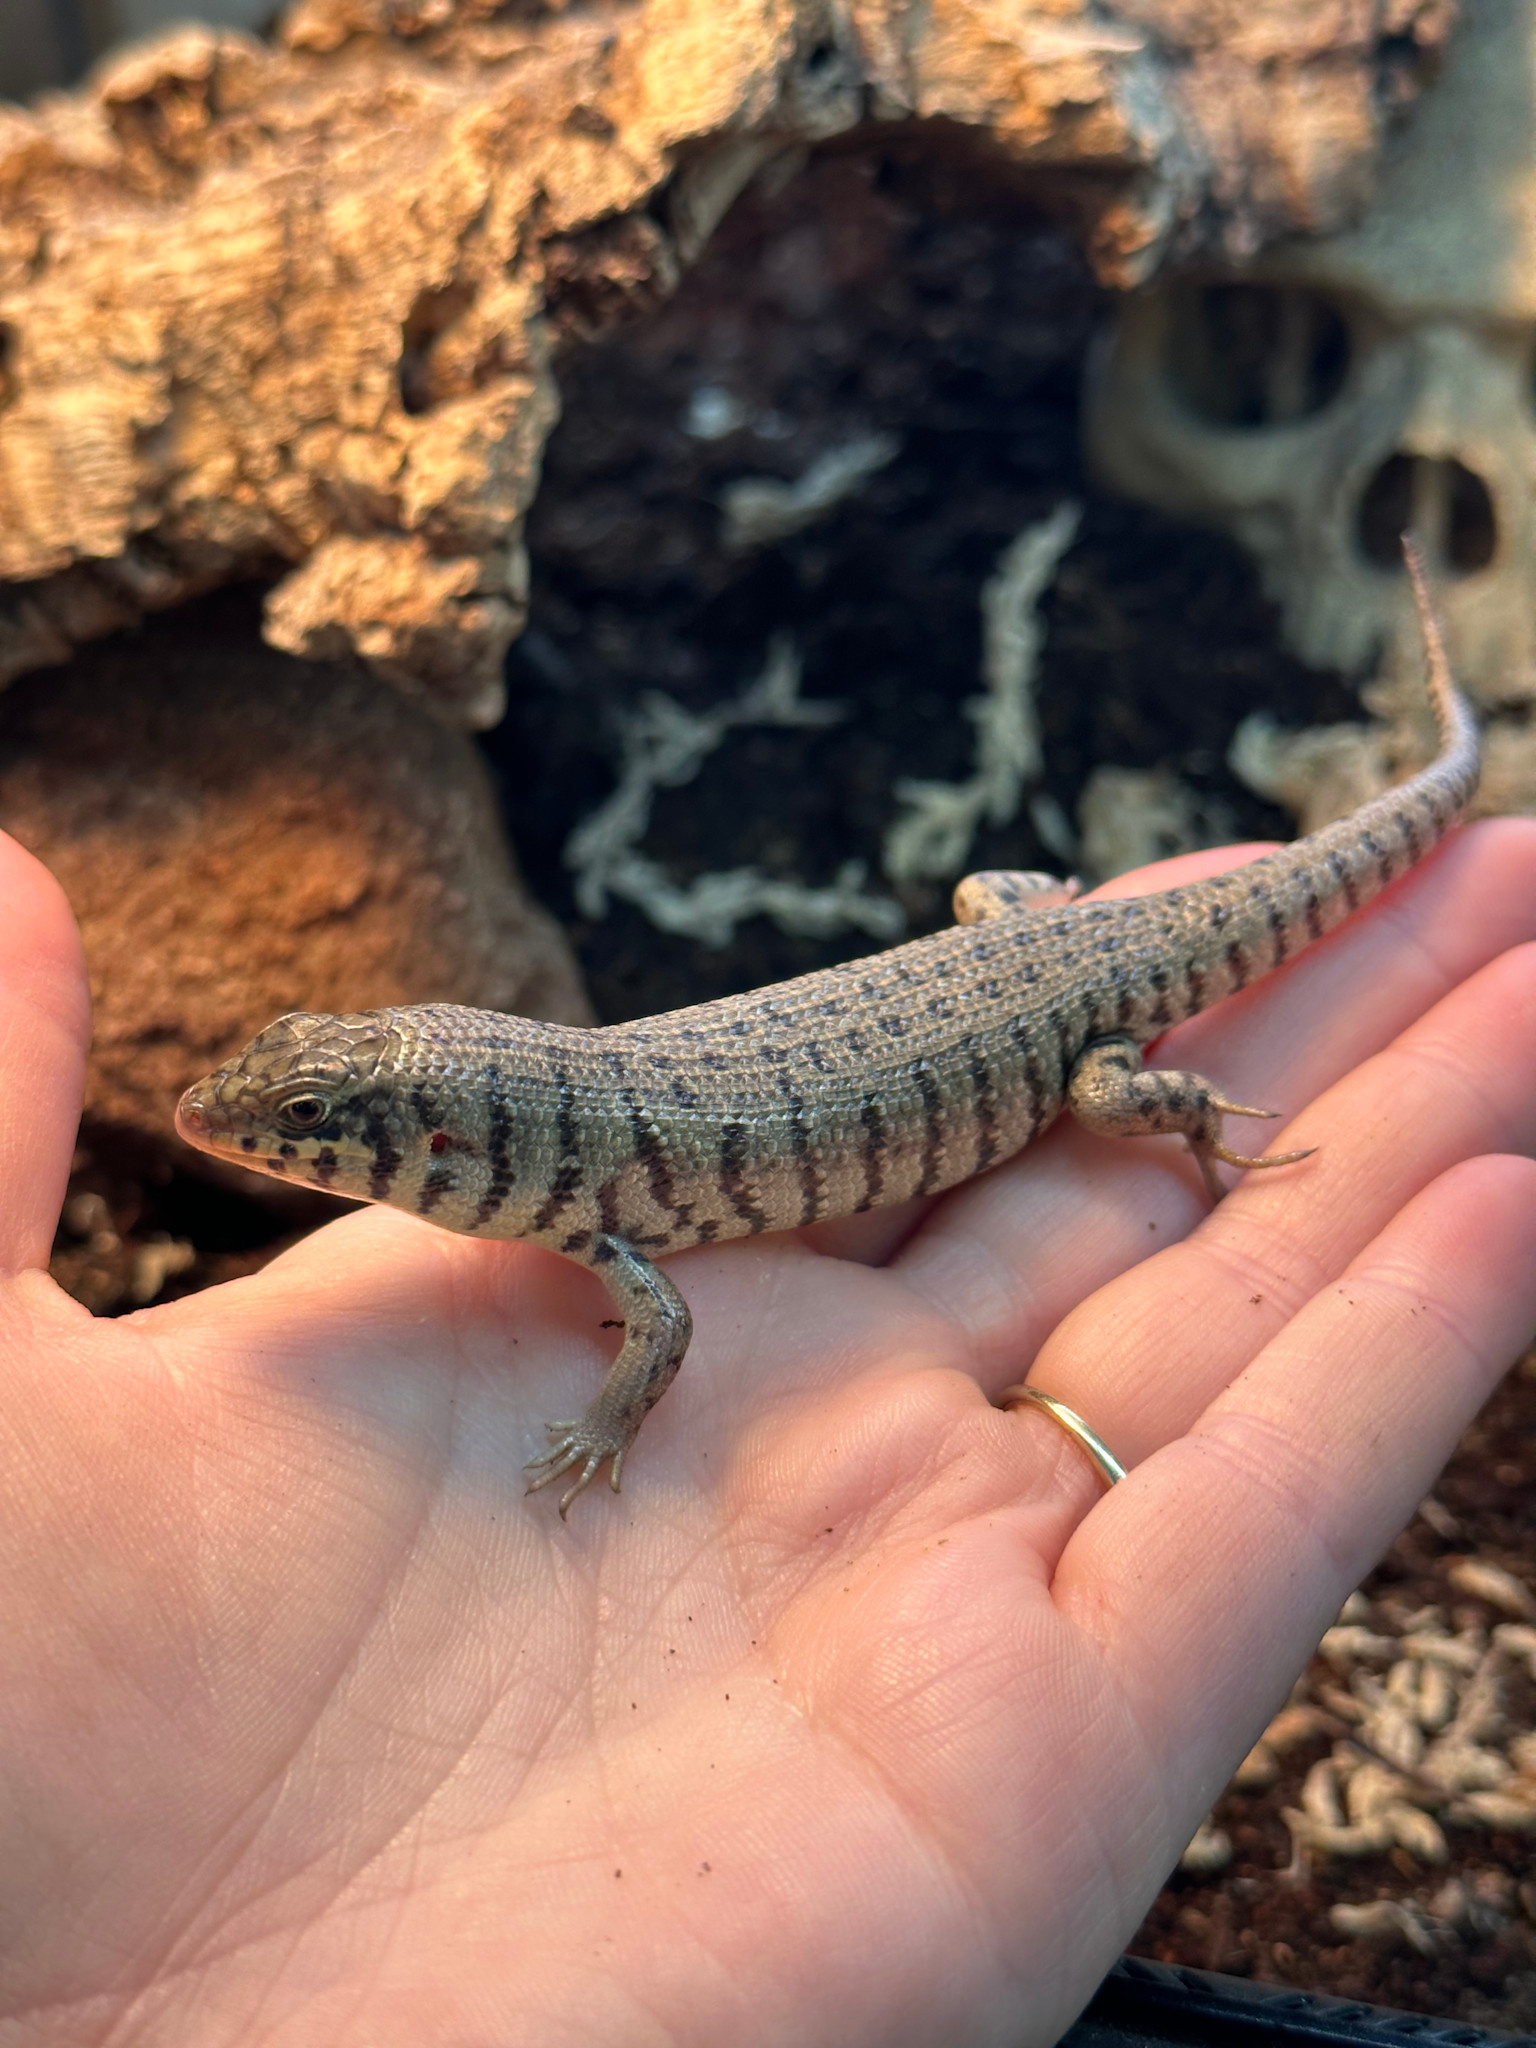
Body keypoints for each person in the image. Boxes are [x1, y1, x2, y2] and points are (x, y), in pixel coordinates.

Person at [1, 811, 1534, 2048]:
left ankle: (1190, 1108)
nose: (255, 1137)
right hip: (1033, 943)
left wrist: (604, 1433)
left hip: (1079, 1011)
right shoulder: (559, 1141)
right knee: (994, 900)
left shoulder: (586, 1191)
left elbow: (659, 1329)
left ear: (448, 1144)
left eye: (313, 1132)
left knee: (1115, 1100)